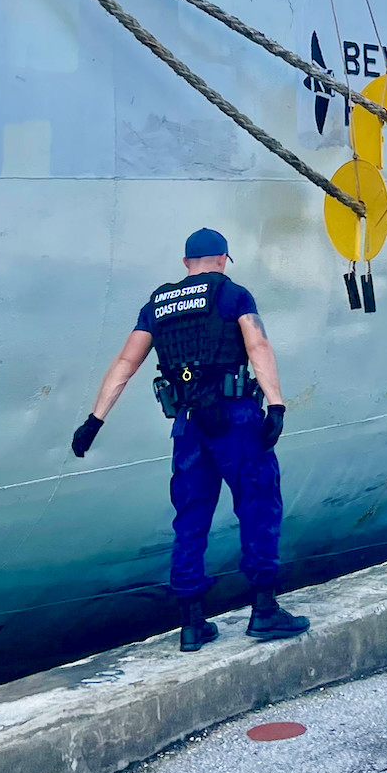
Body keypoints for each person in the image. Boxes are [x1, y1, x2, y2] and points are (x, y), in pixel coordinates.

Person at [71, 228, 309, 652]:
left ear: (186, 263)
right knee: (258, 506)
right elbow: (257, 346)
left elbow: (126, 361)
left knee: (190, 519)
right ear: (222, 259)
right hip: (235, 419)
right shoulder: (233, 295)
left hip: (188, 425)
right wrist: (276, 404)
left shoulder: (158, 304)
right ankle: (264, 610)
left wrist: (94, 420)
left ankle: (192, 624)